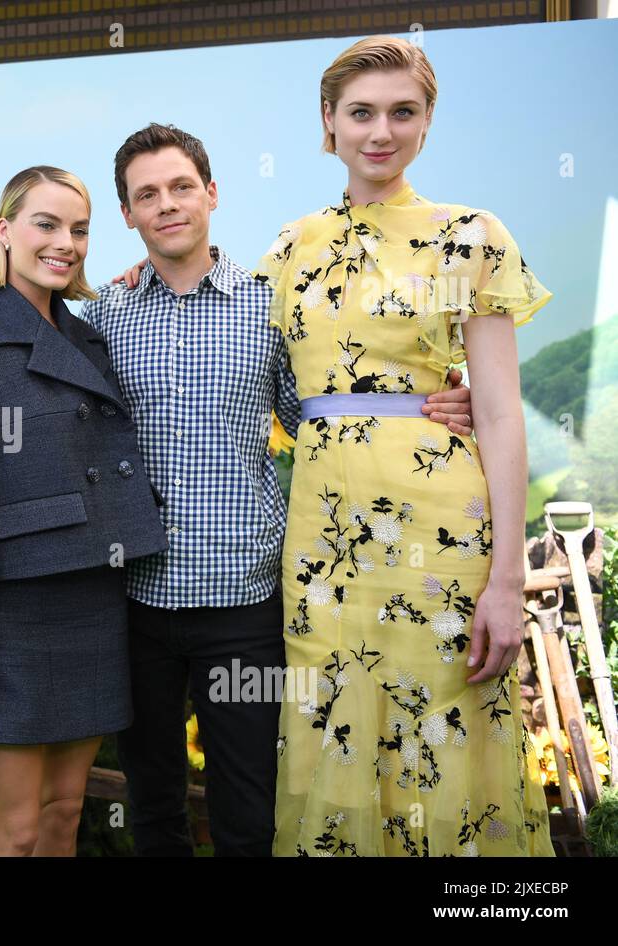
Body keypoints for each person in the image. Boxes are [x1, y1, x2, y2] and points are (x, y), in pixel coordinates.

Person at [104, 122, 474, 855]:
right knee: (152, 804)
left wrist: (433, 403)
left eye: (181, 187)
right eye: (147, 195)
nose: (167, 204)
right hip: (135, 600)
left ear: (212, 194)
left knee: (249, 806)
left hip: (245, 599)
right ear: (128, 215)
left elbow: (321, 418)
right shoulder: (102, 317)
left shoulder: (269, 305)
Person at [249, 35, 554, 855]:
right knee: (329, 720)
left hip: (443, 532)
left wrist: (507, 578)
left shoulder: (469, 237)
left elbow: (498, 413)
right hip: (321, 540)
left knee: (446, 731)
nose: (380, 131)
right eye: (361, 113)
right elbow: (226, 341)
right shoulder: (292, 246)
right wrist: (131, 280)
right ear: (329, 123)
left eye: (402, 112)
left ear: (426, 123)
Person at [0, 166, 169, 856]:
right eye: (46, 224)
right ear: (5, 231)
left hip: (92, 605)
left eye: (79, 229)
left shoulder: (88, 338)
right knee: (12, 834)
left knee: (61, 816)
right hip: (10, 625)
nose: (66, 242)